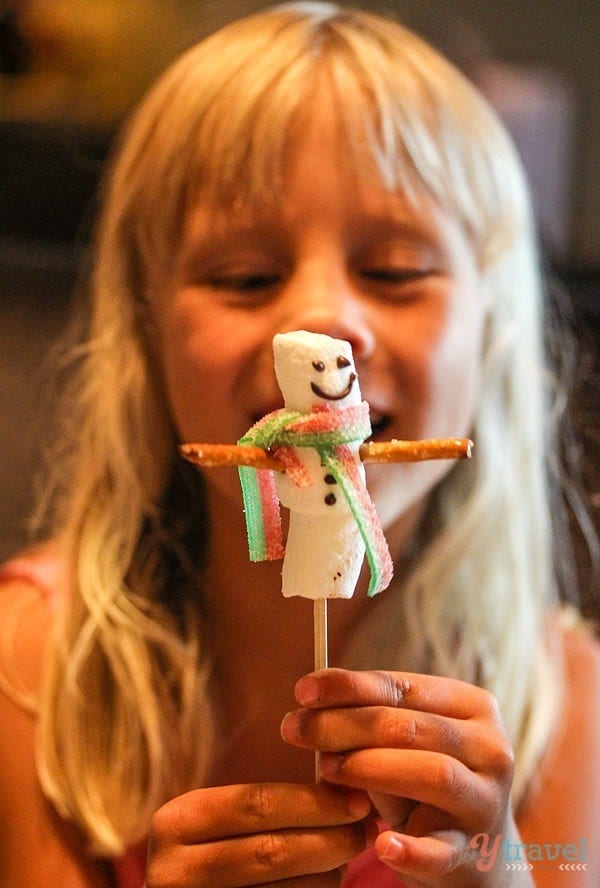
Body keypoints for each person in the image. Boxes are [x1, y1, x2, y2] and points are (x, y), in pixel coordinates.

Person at [1, 3, 599, 886]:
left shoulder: (567, 699)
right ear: (145, 329)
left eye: (395, 270)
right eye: (246, 276)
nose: (323, 320)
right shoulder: (32, 662)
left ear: (492, 329)